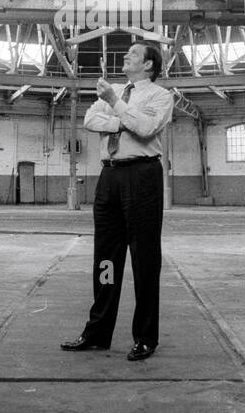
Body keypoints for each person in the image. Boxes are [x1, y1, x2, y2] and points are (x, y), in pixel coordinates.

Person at [61, 41, 174, 361]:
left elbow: (147, 128)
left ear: (149, 65)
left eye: (134, 53)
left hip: (142, 176)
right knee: (106, 259)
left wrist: (114, 104)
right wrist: (121, 117)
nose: (126, 55)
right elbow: (90, 120)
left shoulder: (159, 96)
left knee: (144, 259)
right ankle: (98, 332)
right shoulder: (116, 91)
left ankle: (145, 337)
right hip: (109, 177)